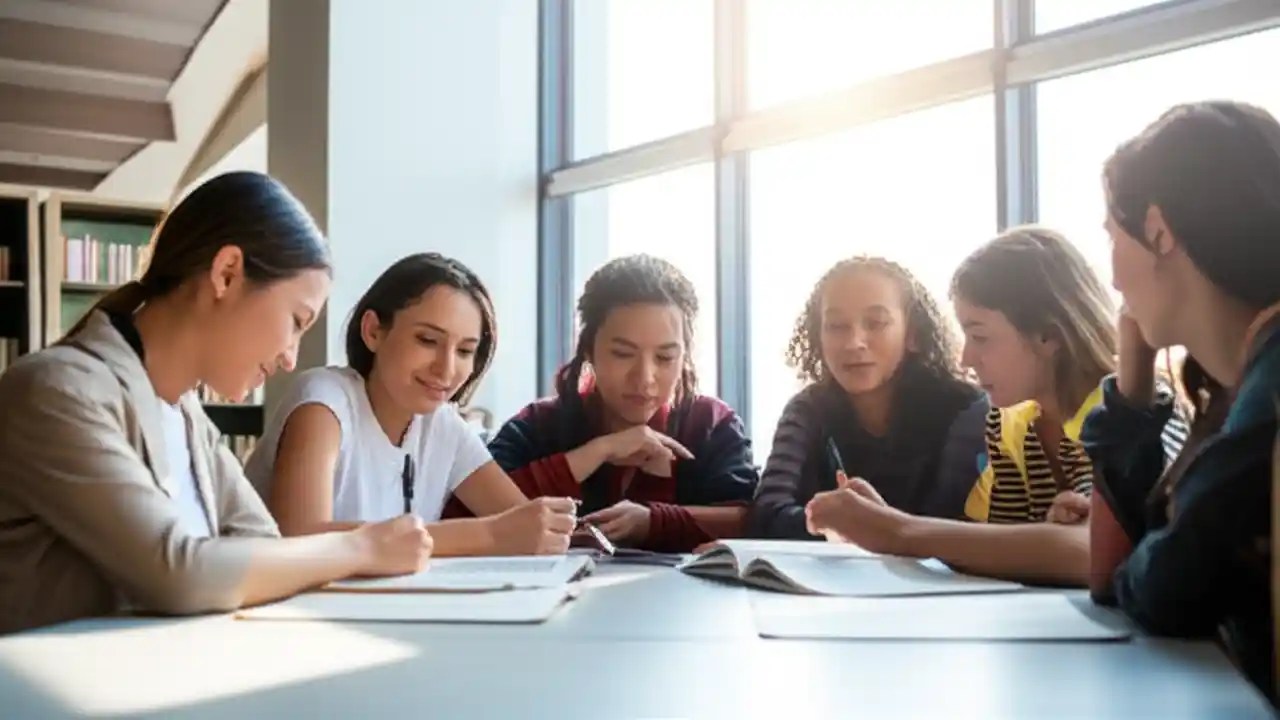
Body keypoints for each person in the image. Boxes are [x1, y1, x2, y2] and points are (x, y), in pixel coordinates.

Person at [0, 172, 431, 635]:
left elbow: (265, 546)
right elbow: (179, 573)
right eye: (296, 321)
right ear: (227, 274)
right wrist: (360, 549)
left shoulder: (189, 419)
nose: (290, 358)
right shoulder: (55, 391)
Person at [1081, 100, 1280, 700]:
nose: (1112, 279)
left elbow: (1166, 584)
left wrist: (1149, 554)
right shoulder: (1242, 381)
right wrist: (1133, 385)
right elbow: (1112, 576)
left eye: (1113, 236)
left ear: (1159, 230)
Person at [805, 227, 1122, 585]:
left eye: (981, 337)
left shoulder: (1127, 413)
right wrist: (882, 520)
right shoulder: (1011, 426)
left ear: (1049, 336)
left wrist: (897, 530)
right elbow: (992, 549)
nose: (966, 358)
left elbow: (1091, 551)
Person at [245, 253, 576, 556]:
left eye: (464, 351)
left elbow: (525, 524)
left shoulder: (443, 426)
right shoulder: (324, 402)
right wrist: (488, 535)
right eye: (428, 341)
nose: (446, 370)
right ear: (373, 331)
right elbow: (299, 536)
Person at [445, 254, 758, 552]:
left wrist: (654, 521)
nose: (645, 378)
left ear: (684, 357)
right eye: (623, 354)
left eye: (665, 357)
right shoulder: (539, 425)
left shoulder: (710, 423)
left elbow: (751, 520)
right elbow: (464, 516)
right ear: (589, 350)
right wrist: (594, 454)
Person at [749, 256, 986, 539]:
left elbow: (952, 522)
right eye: (836, 326)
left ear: (912, 334)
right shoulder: (808, 409)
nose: (854, 343)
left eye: (875, 323)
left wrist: (859, 522)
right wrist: (844, 523)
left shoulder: (963, 408)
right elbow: (766, 514)